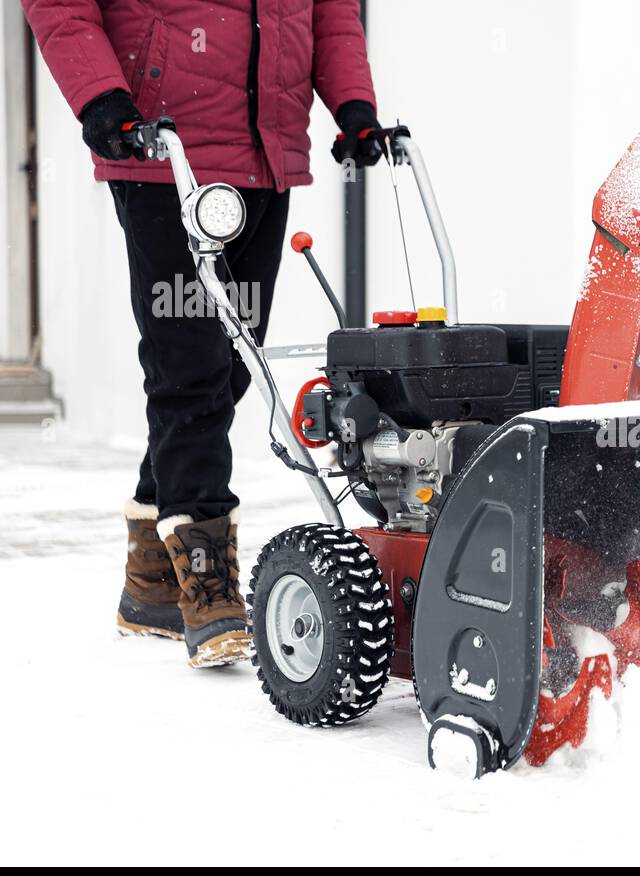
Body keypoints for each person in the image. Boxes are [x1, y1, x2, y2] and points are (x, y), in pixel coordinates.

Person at [23, 0, 384, 666]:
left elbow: (331, 13)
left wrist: (353, 104)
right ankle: (206, 572)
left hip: (266, 155)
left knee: (229, 364)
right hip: (163, 151)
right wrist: (101, 97)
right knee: (189, 363)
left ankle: (152, 583)